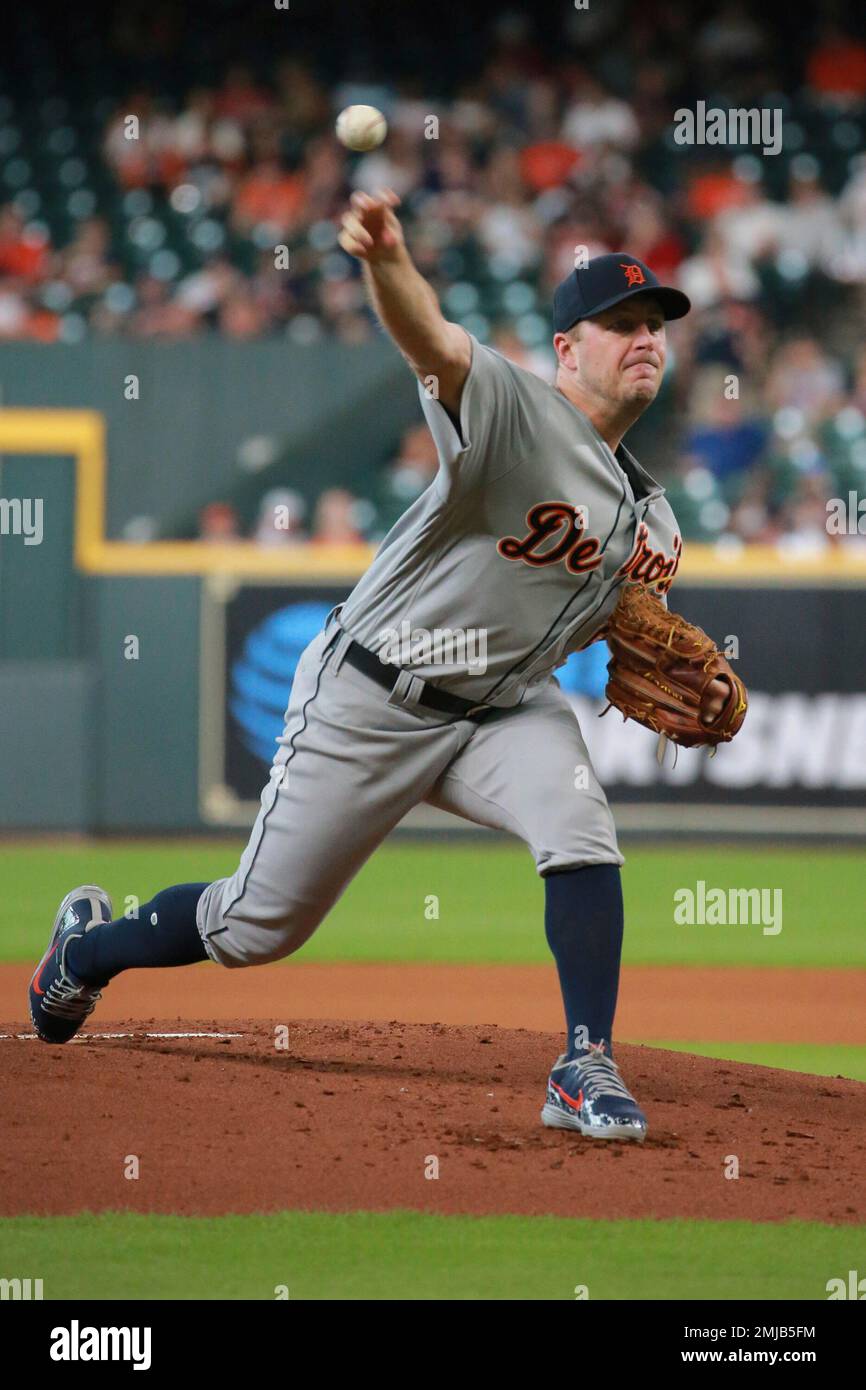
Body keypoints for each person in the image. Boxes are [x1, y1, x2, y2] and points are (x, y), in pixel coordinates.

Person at [29, 191, 731, 1144]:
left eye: (655, 325)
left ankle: (584, 1063)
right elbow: (433, 343)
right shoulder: (517, 415)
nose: (645, 338)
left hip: (501, 712)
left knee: (579, 822)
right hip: (371, 694)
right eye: (622, 324)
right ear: (568, 349)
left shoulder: (657, 524)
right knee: (255, 927)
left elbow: (616, 630)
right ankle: (87, 951)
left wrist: (680, 669)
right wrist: (388, 260)